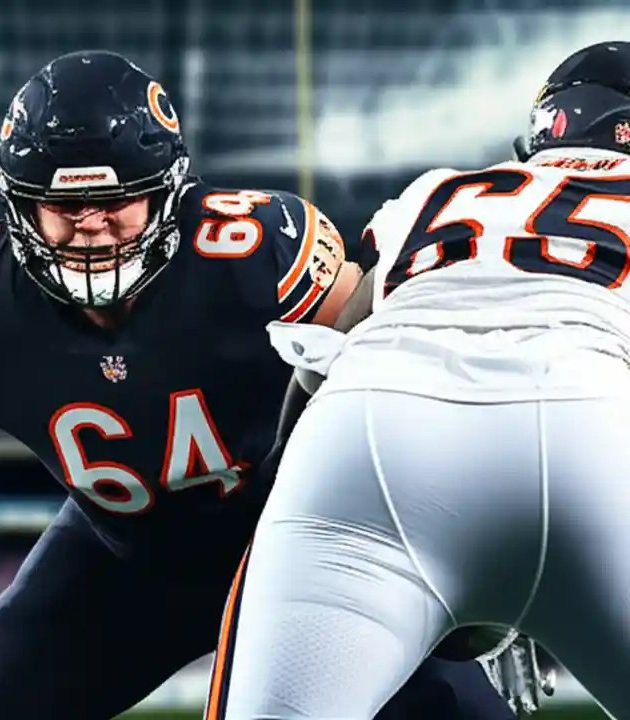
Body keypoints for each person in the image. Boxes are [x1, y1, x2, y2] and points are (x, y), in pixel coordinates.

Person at [0, 50, 511, 720]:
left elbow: (408, 397)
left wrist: (478, 567)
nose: (91, 227)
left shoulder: (259, 253)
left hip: (306, 554)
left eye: (118, 202)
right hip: (119, 562)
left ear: (170, 194)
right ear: (18, 205)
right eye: (61, 205)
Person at [209, 41, 630, 719]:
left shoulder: (437, 190)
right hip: (590, 419)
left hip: (366, 422)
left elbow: (326, 356)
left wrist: (293, 504)